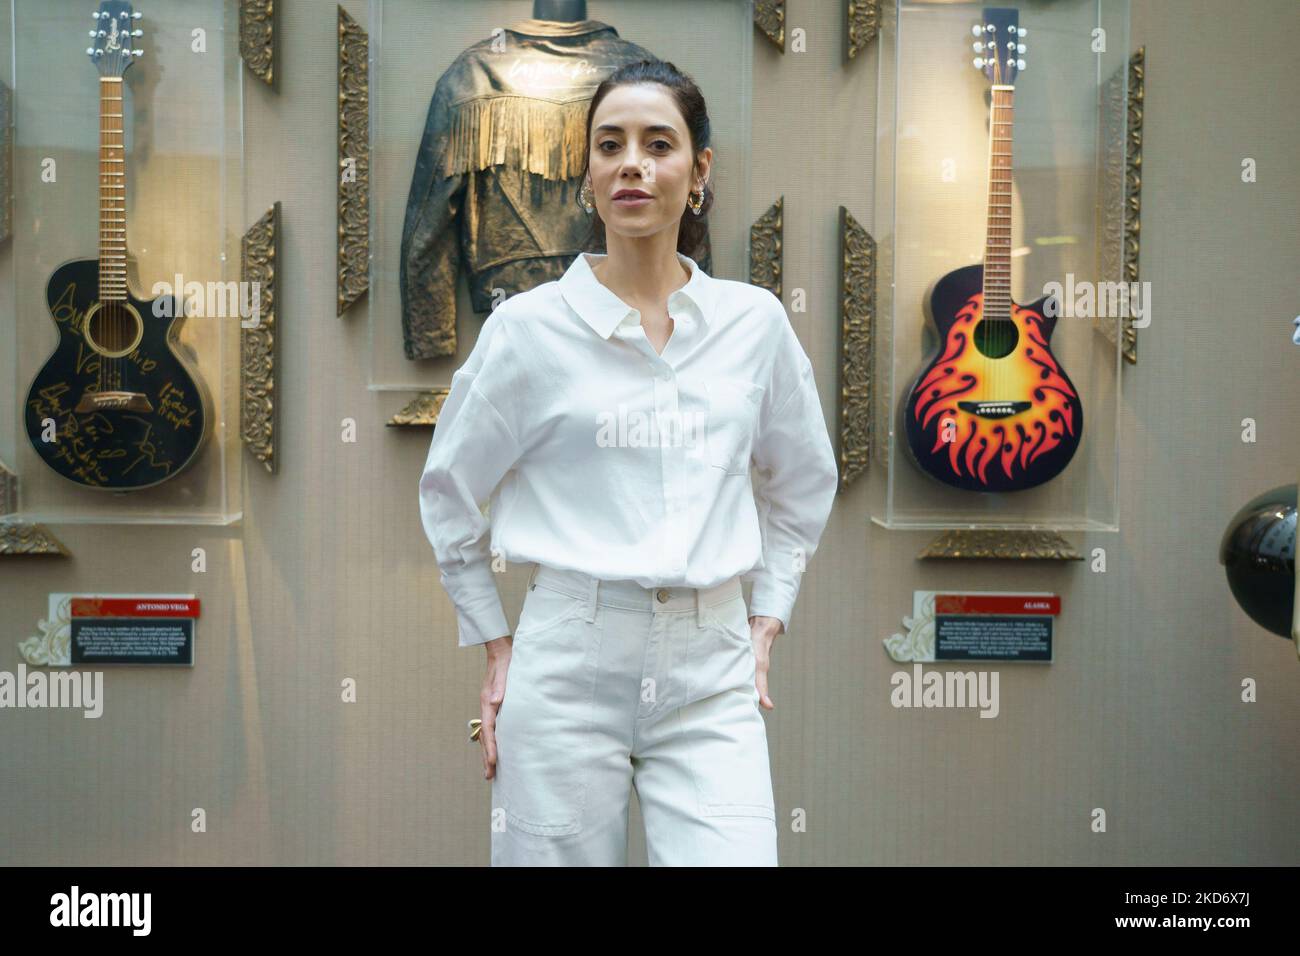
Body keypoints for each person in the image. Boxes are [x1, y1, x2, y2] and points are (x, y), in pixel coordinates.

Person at [418, 59, 839, 866]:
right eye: (609, 145)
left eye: (658, 143)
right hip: (568, 652)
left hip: (711, 659)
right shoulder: (526, 331)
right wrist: (496, 642)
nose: (633, 163)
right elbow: (448, 492)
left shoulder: (753, 325)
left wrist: (766, 618)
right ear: (588, 174)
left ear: (699, 169)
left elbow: (803, 484)